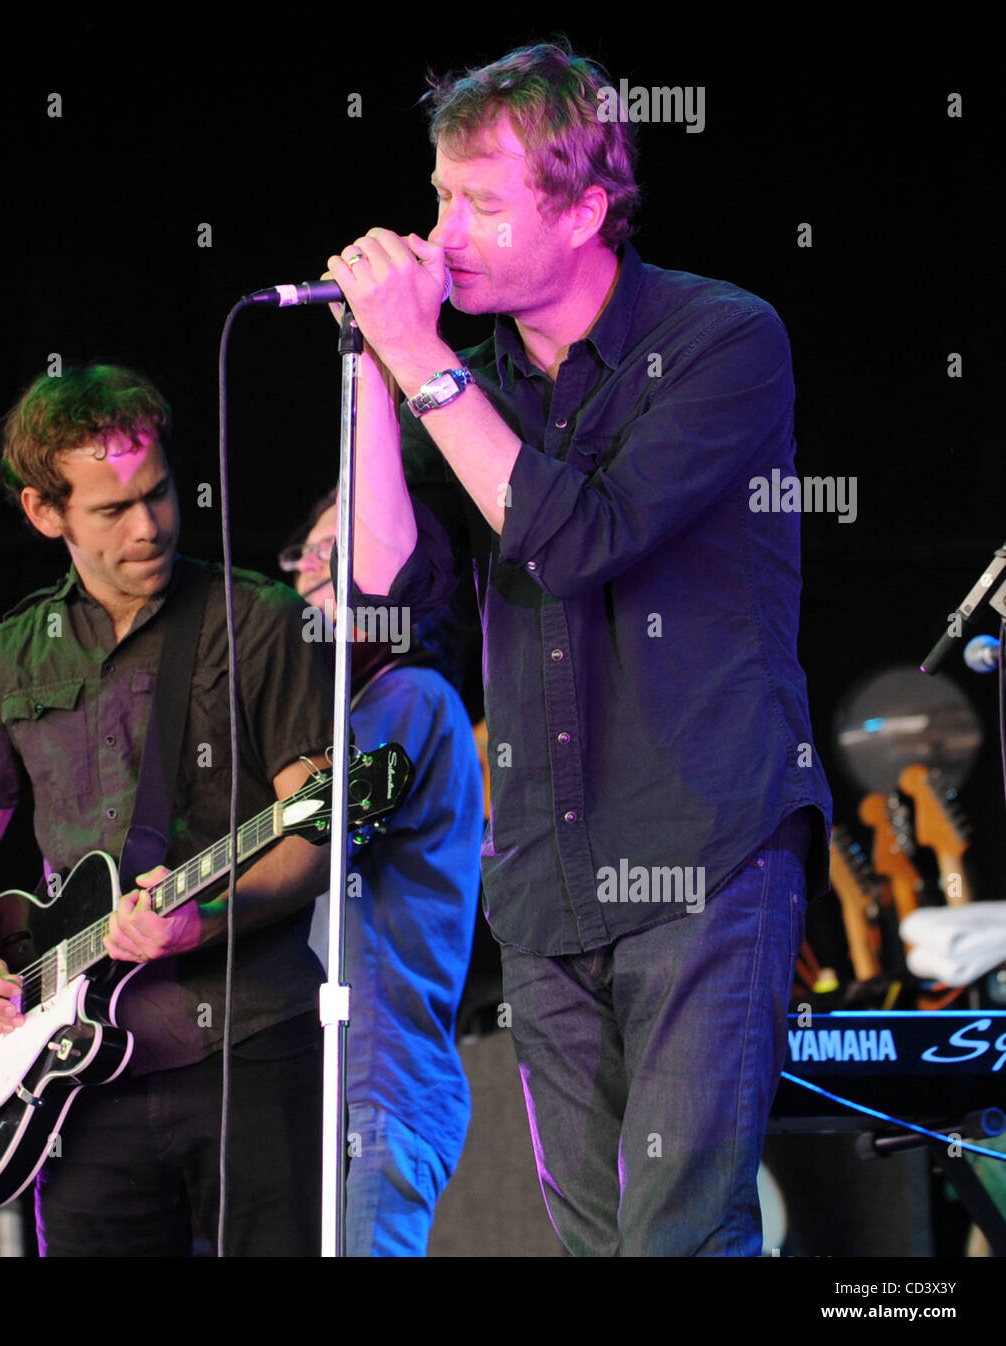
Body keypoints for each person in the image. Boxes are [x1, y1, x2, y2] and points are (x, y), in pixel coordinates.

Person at [323, 40, 833, 1256]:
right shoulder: (465, 379)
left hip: (704, 851)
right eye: (441, 194)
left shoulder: (724, 338)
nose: (444, 230)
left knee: (680, 1234)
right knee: (599, 1241)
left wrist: (424, 364)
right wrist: (367, 366)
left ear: (589, 207)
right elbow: (381, 596)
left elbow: (578, 536)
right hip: (547, 875)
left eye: (483, 202)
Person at [0, 364, 334, 1256]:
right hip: (72, 1078)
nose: (149, 525)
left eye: (158, 493)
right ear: (45, 513)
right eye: (112, 511)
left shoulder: (257, 620)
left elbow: (318, 828)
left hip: (248, 1046)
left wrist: (209, 919)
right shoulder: (9, 657)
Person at [280, 491, 481, 1255]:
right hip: (329, 1087)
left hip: (375, 1088)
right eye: (310, 554)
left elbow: (321, 834)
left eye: (344, 553)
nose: (313, 575)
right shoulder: (324, 721)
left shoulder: (410, 698)